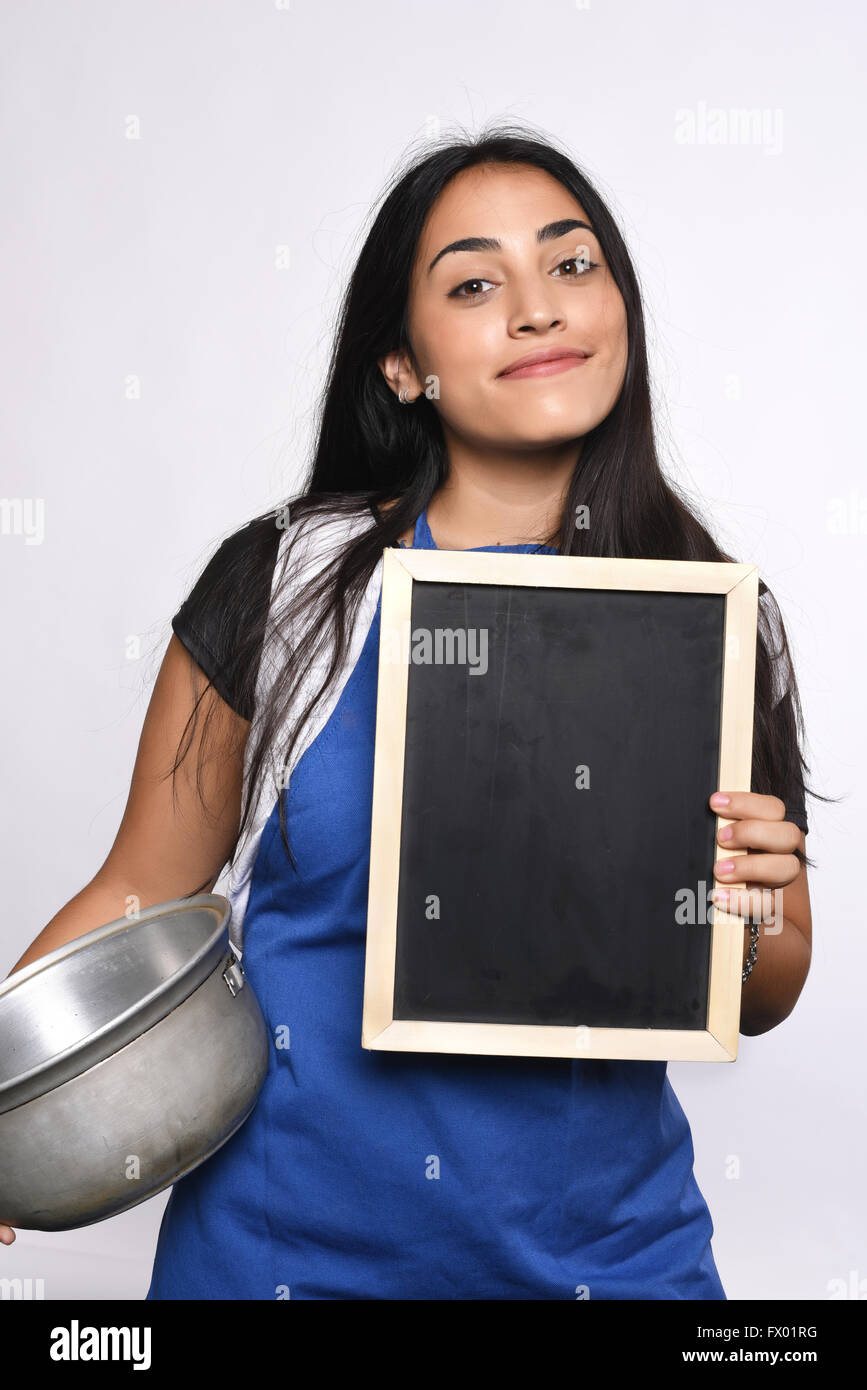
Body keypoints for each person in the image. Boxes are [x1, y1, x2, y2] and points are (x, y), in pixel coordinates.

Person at [2, 126, 815, 1299]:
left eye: (572, 265)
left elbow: (765, 986)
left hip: (609, 1267)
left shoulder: (718, 618)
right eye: (477, 284)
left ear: (620, 313)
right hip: (281, 1266)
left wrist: (756, 901)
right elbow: (139, 889)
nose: (538, 310)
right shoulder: (287, 585)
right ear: (400, 365)